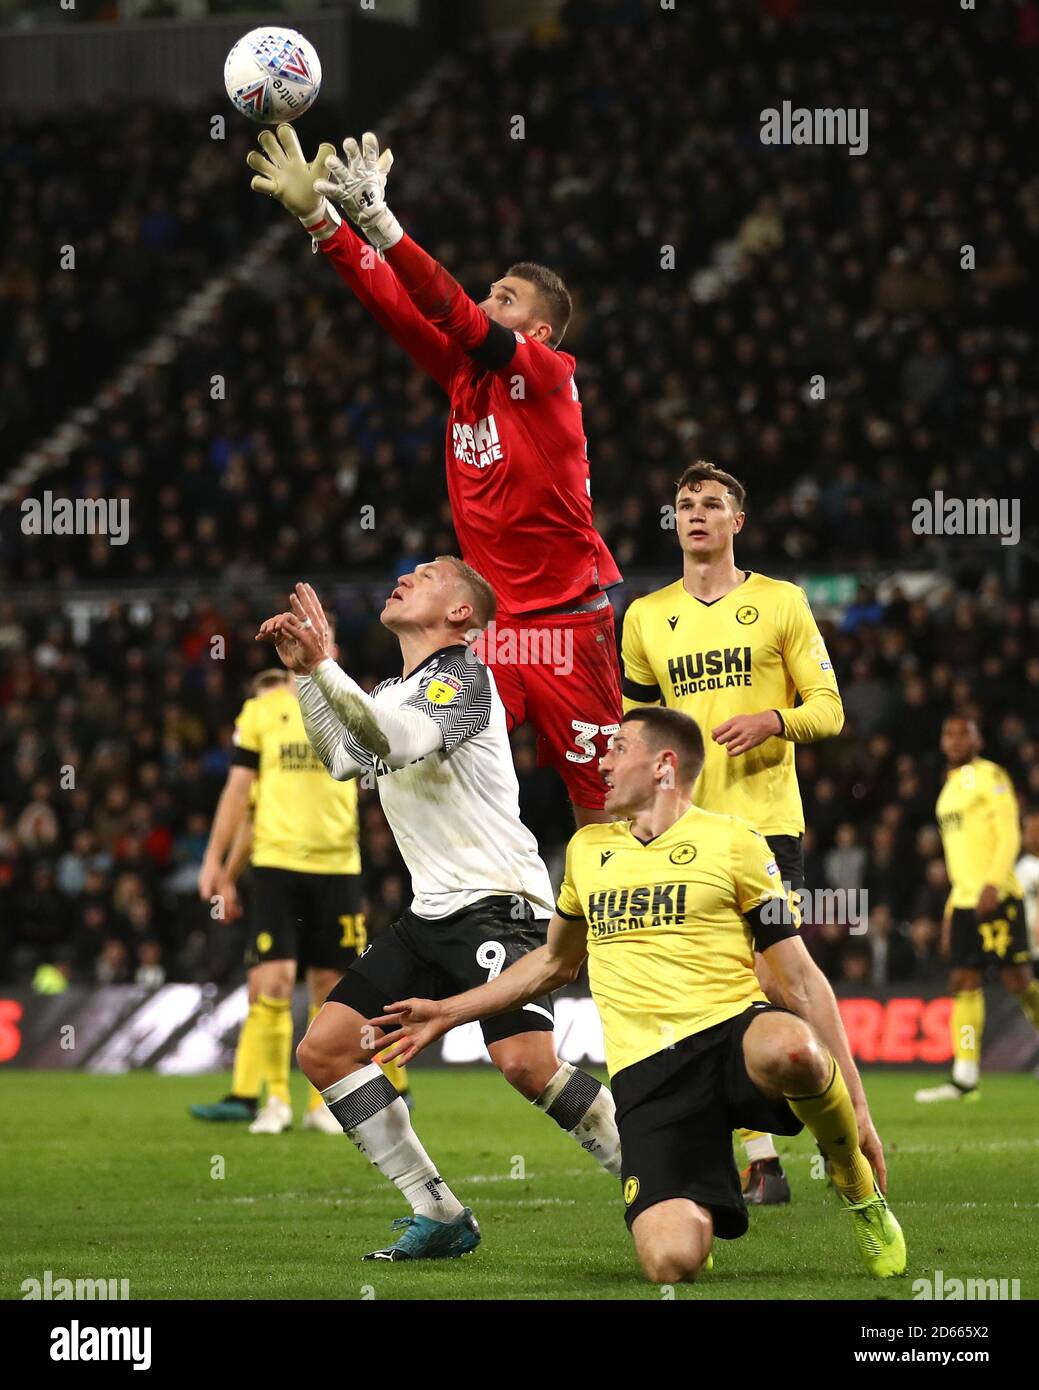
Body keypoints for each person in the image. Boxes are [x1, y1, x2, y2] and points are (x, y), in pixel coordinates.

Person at [372, 708, 905, 1283]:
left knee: (792, 1048)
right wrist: (447, 1013)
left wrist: (861, 1111)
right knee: (670, 1263)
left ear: (664, 767)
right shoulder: (588, 851)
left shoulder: (738, 844)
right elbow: (553, 963)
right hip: (649, 1079)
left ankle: (853, 1180)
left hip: (731, 1038)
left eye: (619, 748)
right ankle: (699, 1187)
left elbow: (799, 980)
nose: (602, 761)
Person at [245, 126, 623, 829]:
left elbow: (450, 309)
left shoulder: (548, 377)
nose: (486, 304)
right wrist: (321, 221)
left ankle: (617, 934)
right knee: (421, 759)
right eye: (489, 293)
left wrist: (385, 225)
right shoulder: (461, 374)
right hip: (491, 630)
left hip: (569, 626)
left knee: (602, 811)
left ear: (536, 333)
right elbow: (395, 303)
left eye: (504, 298)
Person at [258, 564, 622, 1261]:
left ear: (460, 612)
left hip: (498, 902)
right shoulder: (397, 691)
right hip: (430, 914)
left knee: (525, 1065)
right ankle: (439, 1211)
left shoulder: (464, 679)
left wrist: (328, 664)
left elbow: (391, 741)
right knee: (326, 1050)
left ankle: (649, 1174)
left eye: (423, 575)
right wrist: (306, 676)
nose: (403, 577)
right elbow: (345, 758)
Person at [620, 461, 845, 1205]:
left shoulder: (780, 603)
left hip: (766, 828)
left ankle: (838, 1129)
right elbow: (636, 727)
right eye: (684, 504)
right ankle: (760, 1164)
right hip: (683, 833)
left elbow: (828, 709)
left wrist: (772, 719)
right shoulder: (646, 617)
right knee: (703, 995)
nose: (695, 514)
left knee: (774, 981)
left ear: (735, 522)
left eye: (711, 504)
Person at [192, 664, 408, 1134]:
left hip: (338, 867)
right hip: (277, 865)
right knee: (272, 981)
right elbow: (239, 790)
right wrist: (217, 863)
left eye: (325, 634)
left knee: (331, 990)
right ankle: (274, 1100)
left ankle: (320, 1105)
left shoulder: (349, 703)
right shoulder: (261, 711)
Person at [915, 717, 1039, 1103]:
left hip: (997, 895)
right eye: (948, 733)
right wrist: (953, 908)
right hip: (965, 899)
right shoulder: (949, 788)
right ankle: (964, 1077)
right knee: (963, 983)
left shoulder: (991, 776)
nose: (954, 740)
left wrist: (992, 884)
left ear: (978, 738)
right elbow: (958, 857)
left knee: (1017, 980)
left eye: (962, 733)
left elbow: (1009, 833)